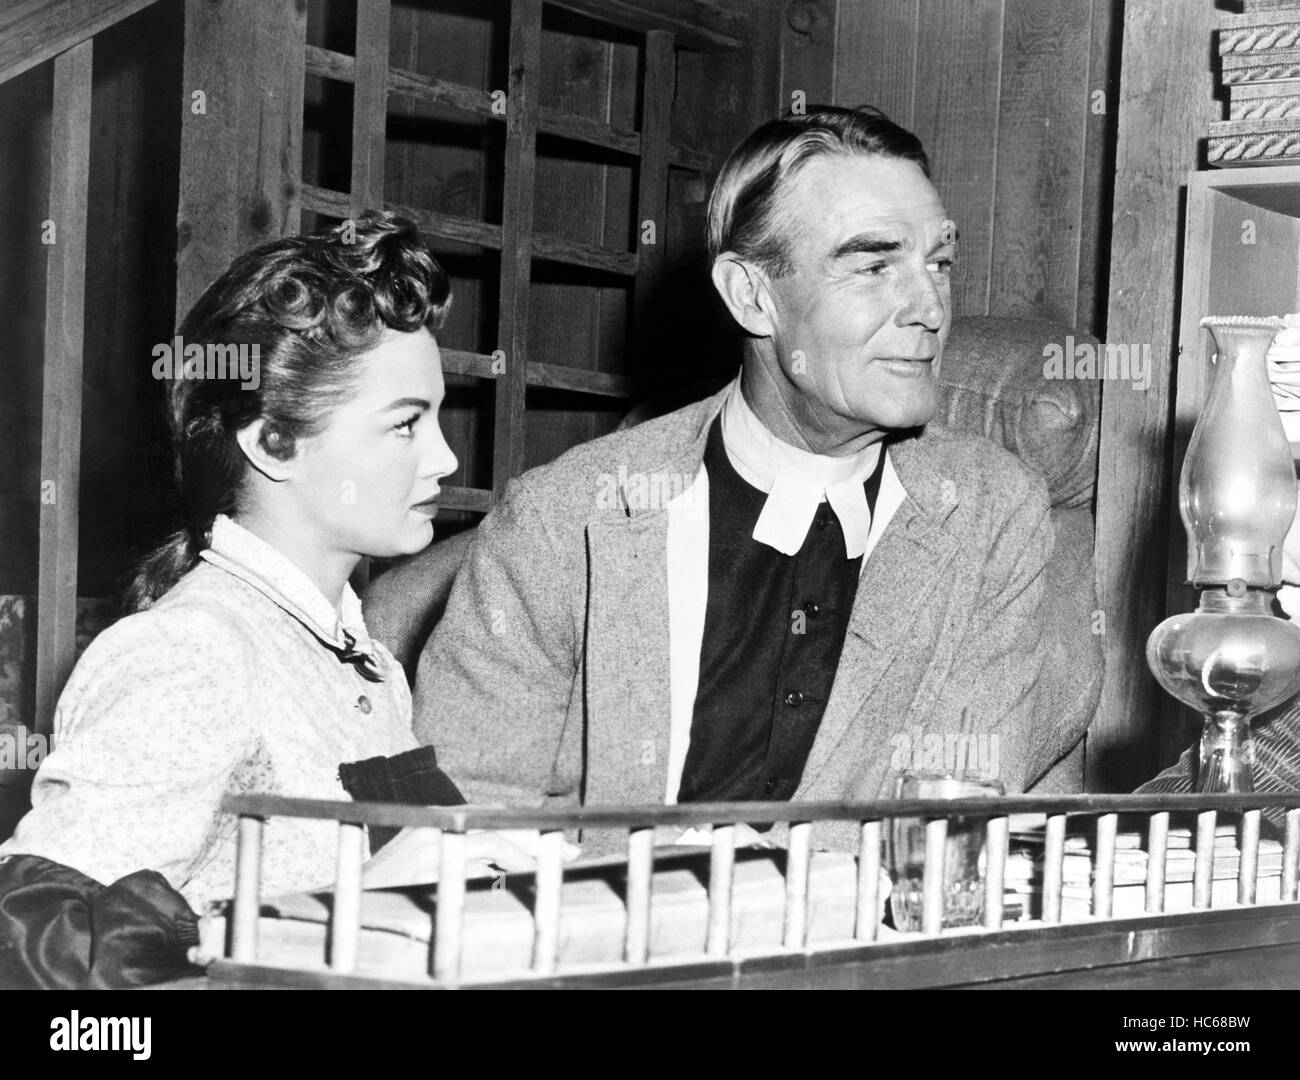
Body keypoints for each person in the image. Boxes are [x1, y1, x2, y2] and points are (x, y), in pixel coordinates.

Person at [410, 106, 1093, 853]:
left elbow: (950, 821)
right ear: (750, 296)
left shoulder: (992, 513)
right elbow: (461, 825)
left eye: (939, 262)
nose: (929, 308)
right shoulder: (567, 515)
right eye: (873, 265)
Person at [0, 212, 524, 989]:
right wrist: (331, 909)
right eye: (406, 425)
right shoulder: (194, 651)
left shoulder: (364, 659)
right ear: (271, 441)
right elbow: (33, 947)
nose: (445, 457)